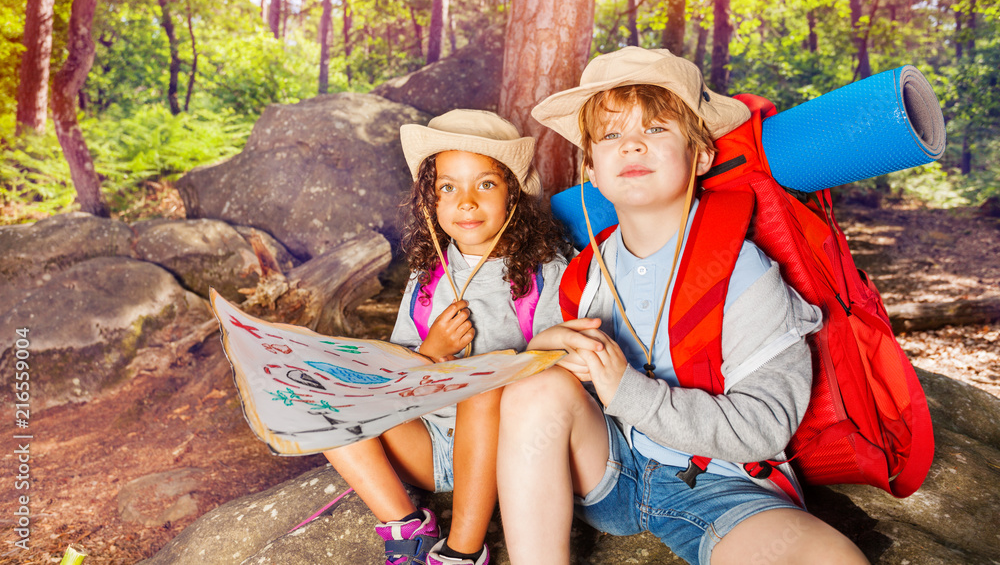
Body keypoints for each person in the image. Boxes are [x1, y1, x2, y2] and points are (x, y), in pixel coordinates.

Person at [495, 47, 869, 565]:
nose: (631, 144)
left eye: (656, 129)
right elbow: (557, 403)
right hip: (608, 469)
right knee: (532, 388)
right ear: (591, 170)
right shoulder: (586, 272)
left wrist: (629, 391)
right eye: (610, 135)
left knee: (830, 559)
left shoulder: (743, 271)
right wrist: (545, 352)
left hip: (722, 483)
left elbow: (766, 425)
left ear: (701, 156)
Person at [324, 109, 568, 565]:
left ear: (514, 195)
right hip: (427, 445)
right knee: (326, 398)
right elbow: (395, 370)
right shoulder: (427, 274)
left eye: (486, 184)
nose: (467, 202)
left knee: (483, 385)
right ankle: (407, 530)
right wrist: (429, 352)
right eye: (448, 188)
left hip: (509, 452)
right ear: (430, 201)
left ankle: (463, 550)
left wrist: (498, 367)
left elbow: (559, 371)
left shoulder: (545, 271)